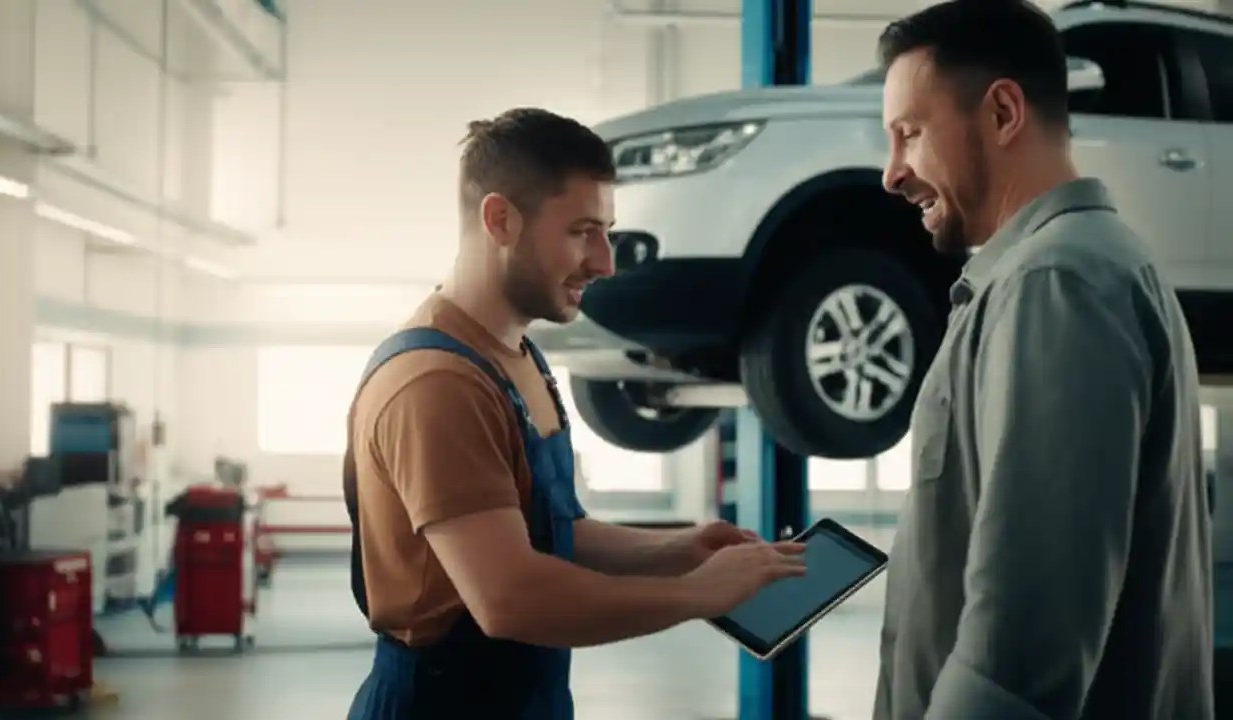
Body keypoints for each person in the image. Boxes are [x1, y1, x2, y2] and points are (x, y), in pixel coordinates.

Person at [342, 107, 806, 720]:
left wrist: (679, 549)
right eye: (582, 231)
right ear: (500, 220)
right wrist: (697, 595)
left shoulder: (517, 357)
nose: (605, 261)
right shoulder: (437, 384)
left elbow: (553, 531)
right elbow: (510, 599)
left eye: (607, 231)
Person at [873, 2, 1213, 719]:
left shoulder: (1056, 283)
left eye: (909, 134)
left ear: (1001, 113)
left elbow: (1019, 651)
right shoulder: (1064, 274)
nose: (891, 174)